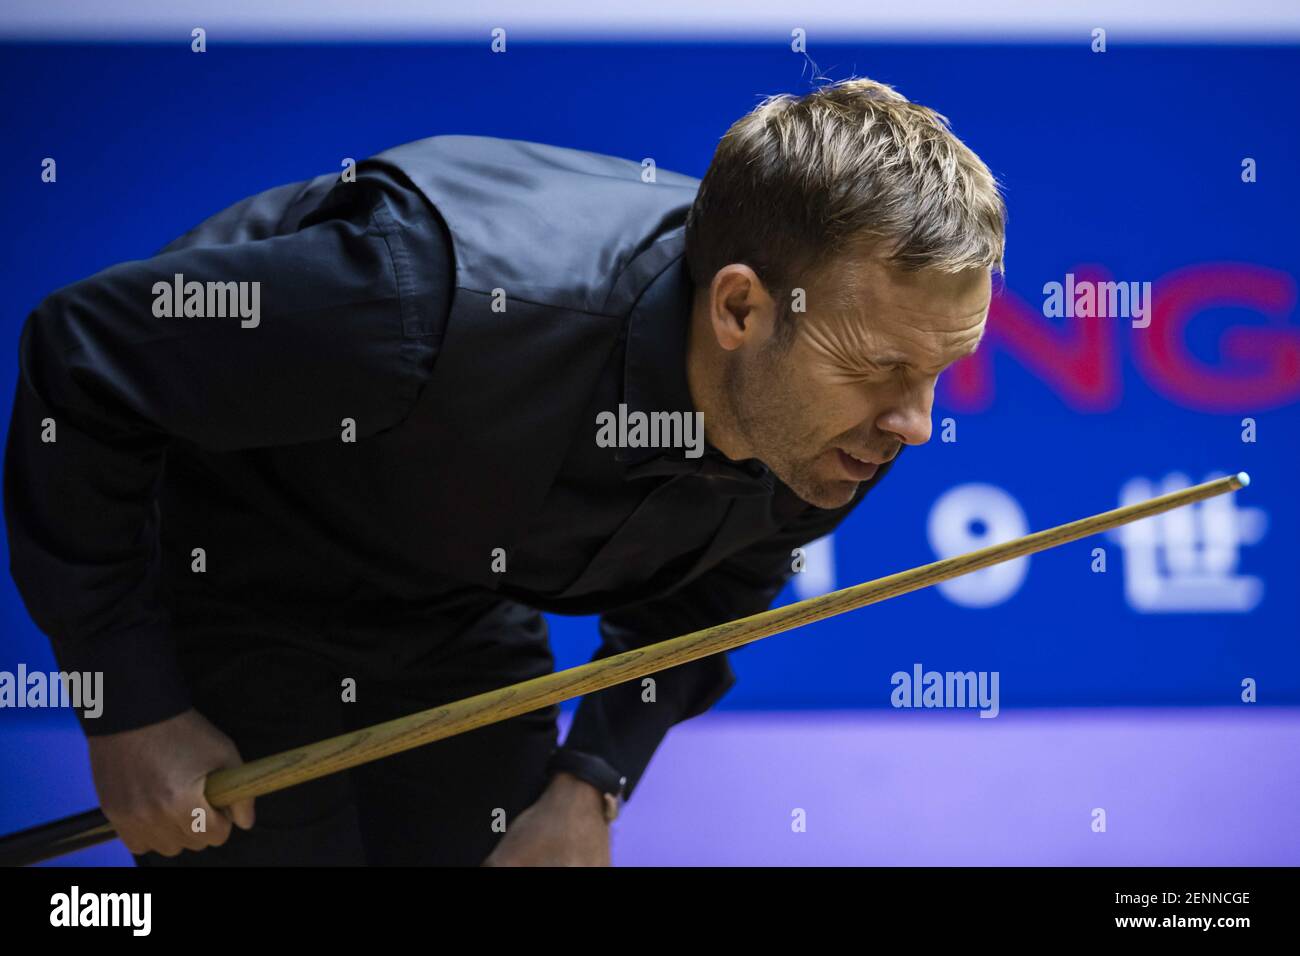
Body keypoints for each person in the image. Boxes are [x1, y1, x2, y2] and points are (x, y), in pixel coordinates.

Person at [4, 76, 1003, 865]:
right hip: (221, 574)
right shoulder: (417, 304)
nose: (915, 425)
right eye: (883, 370)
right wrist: (129, 700)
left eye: (938, 373)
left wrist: (590, 780)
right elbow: (84, 355)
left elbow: (721, 590)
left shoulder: (832, 423)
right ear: (739, 311)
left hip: (453, 593)